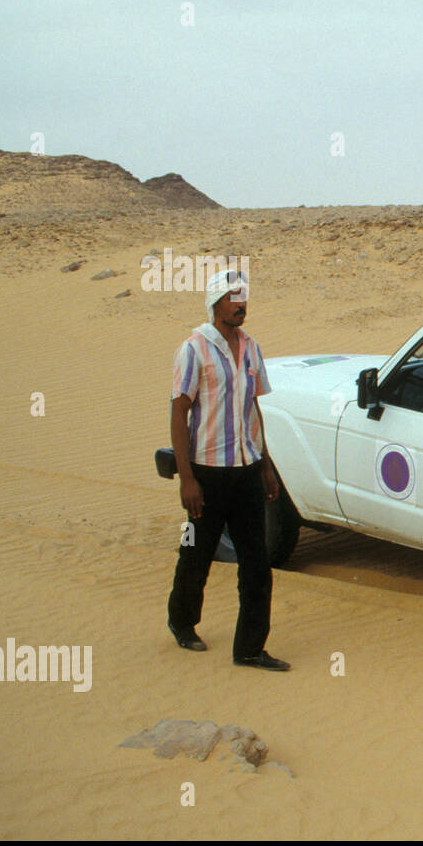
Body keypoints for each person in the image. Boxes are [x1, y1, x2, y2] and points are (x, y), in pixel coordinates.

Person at [166, 269, 290, 671]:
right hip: (207, 472)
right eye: (233, 298)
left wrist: (266, 466)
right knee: (196, 554)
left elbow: (253, 407)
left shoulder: (252, 348)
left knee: (256, 562)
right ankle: (182, 622)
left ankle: (250, 649)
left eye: (244, 298)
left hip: (247, 470)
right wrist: (187, 478)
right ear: (215, 302)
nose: (241, 305)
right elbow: (180, 411)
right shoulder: (194, 349)